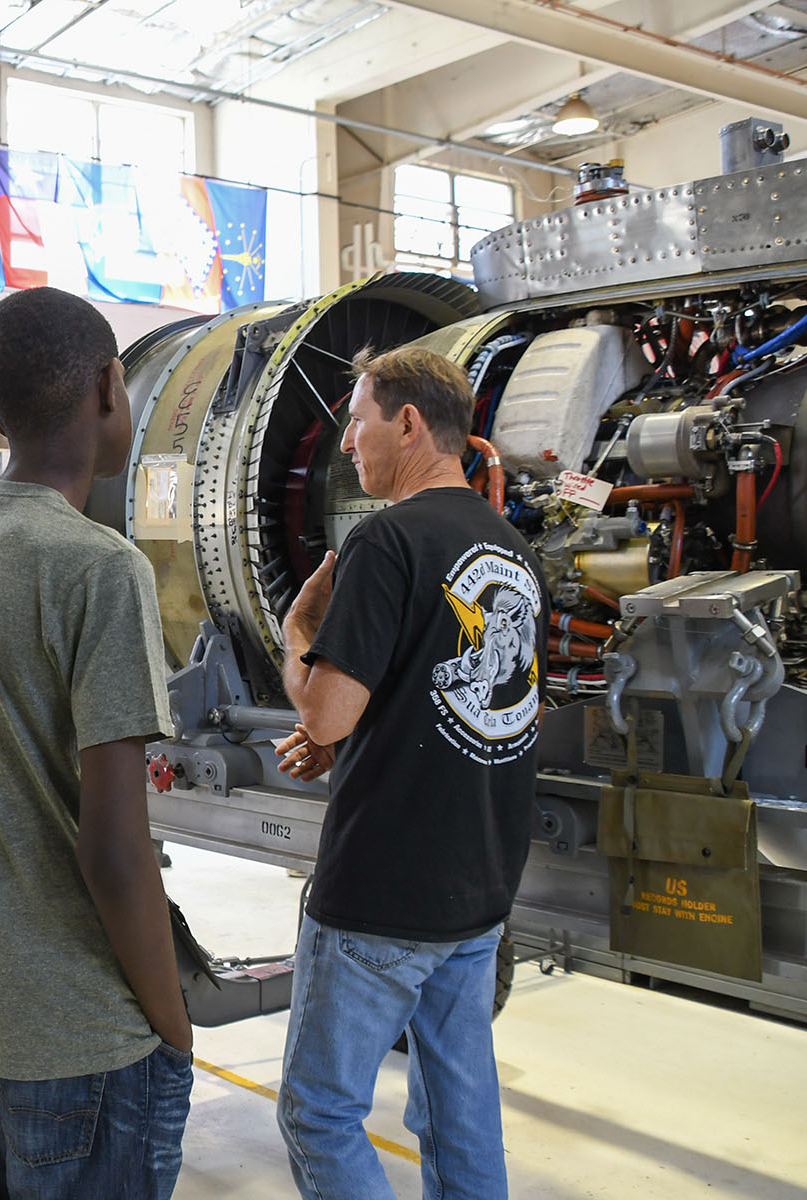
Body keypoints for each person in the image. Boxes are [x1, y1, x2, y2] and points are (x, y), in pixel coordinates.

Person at [0, 287, 193, 1199]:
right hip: (82, 1037)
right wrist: (173, 1025)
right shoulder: (100, 568)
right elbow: (114, 852)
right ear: (113, 387)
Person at [273, 346, 547, 1199]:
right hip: (480, 890)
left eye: (356, 420)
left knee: (318, 1114)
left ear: (406, 422)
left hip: (382, 894)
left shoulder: (385, 541)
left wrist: (296, 632)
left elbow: (324, 713)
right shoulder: (512, 548)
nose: (347, 443)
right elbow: (439, 686)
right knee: (459, 1114)